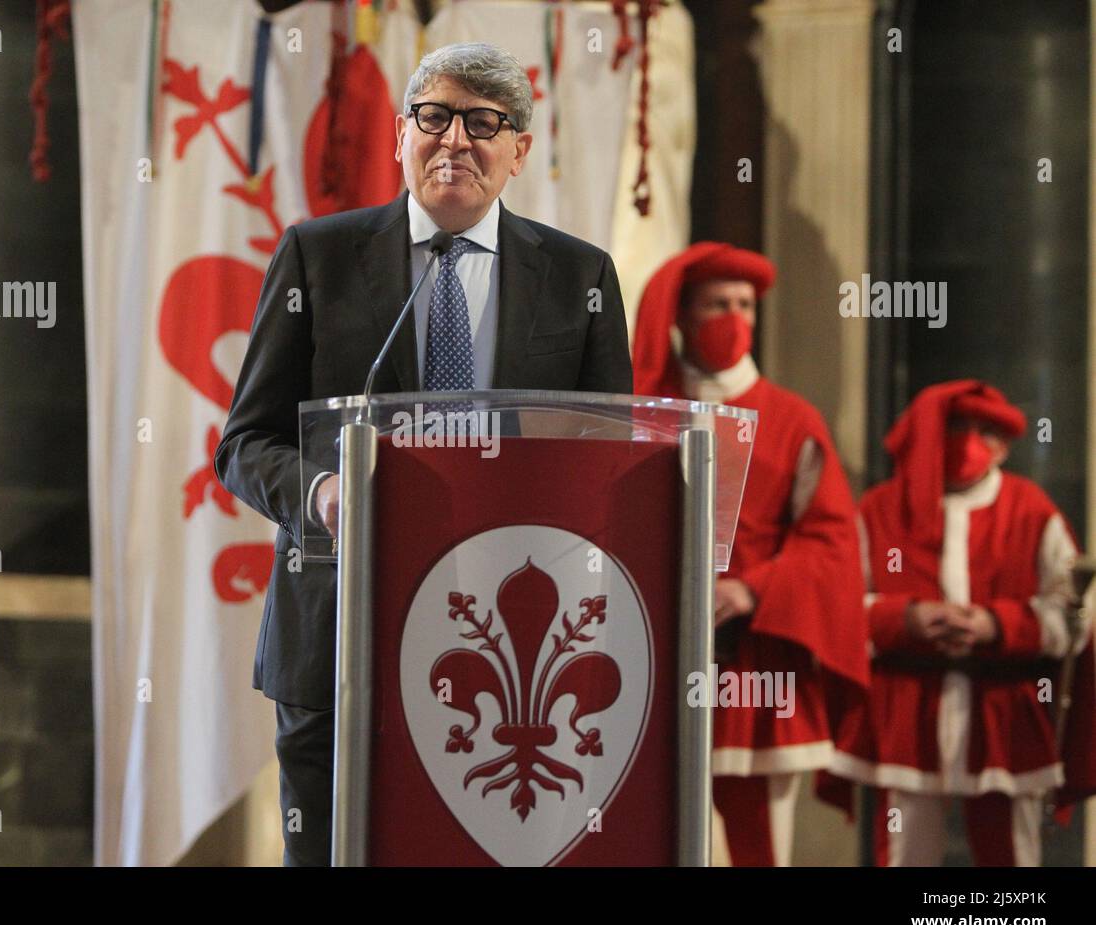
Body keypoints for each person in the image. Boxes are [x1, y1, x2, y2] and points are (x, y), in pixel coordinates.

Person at [215, 41, 632, 866]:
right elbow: (245, 444)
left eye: (484, 123)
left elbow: (609, 457)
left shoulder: (580, 276)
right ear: (398, 137)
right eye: (435, 117)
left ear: (519, 151)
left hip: (516, 658)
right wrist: (324, 492)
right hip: (338, 636)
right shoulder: (316, 257)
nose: (455, 140)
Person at [632, 242, 869, 866]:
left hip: (752, 662)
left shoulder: (793, 420)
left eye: (745, 304)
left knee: (757, 845)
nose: (735, 317)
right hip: (654, 652)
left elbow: (831, 539)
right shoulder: (647, 413)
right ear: (680, 316)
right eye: (717, 304)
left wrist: (753, 587)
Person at [827, 380, 1093, 866]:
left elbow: (1073, 616)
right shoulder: (882, 509)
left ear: (1007, 444)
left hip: (1003, 712)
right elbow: (839, 607)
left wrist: (997, 625)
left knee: (1011, 862)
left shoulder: (1031, 511)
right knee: (904, 853)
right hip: (907, 710)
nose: (971, 444)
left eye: (987, 432)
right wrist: (904, 618)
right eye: (956, 428)